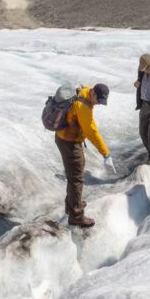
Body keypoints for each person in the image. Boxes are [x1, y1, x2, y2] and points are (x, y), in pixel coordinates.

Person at [55, 83, 114, 228]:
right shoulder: (84, 108)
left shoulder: (84, 91)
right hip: (70, 142)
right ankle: (76, 215)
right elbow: (91, 132)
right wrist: (105, 153)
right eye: (97, 100)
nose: (98, 104)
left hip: (64, 138)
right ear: (93, 93)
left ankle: (71, 203)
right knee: (76, 178)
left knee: (73, 173)